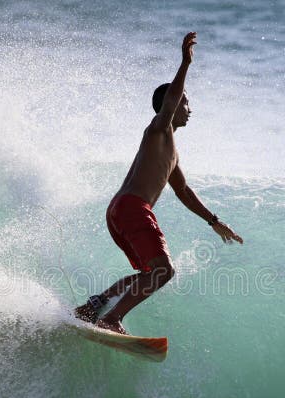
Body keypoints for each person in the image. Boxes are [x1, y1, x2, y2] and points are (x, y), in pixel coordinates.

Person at [74, 32, 243, 334]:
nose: (189, 109)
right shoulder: (158, 129)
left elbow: (184, 191)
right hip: (134, 208)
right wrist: (185, 63)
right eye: (186, 103)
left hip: (120, 210)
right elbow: (170, 102)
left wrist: (214, 221)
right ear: (172, 106)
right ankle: (111, 319)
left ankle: (93, 307)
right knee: (164, 271)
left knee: (149, 273)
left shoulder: (171, 152)